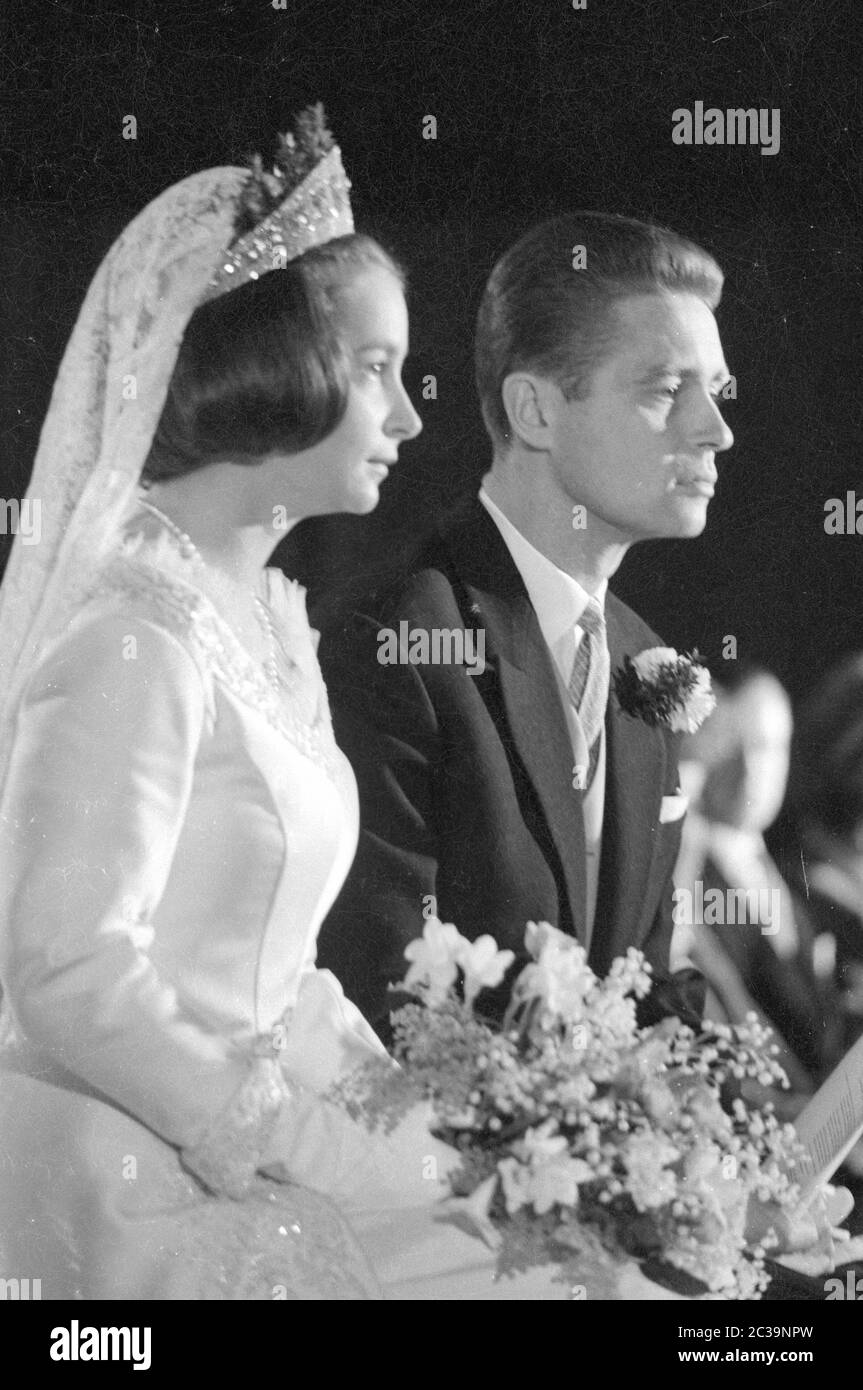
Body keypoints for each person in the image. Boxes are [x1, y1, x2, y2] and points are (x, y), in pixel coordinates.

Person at [0, 111, 568, 1301]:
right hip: (125, 1172)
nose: (410, 418)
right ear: (275, 363)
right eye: (374, 369)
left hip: (251, 1131)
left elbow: (275, 974)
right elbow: (65, 968)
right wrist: (302, 1146)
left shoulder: (261, 622)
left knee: (564, 1258)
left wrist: (406, 1127)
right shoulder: (131, 640)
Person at [317, 211, 734, 1037]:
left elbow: (639, 986)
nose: (714, 430)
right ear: (535, 412)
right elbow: (380, 992)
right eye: (663, 389)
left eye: (714, 393)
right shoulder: (397, 638)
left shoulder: (646, 659)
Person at [671, 664, 843, 1110]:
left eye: (768, 747)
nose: (752, 768)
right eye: (738, 746)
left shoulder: (802, 877)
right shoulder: (683, 881)